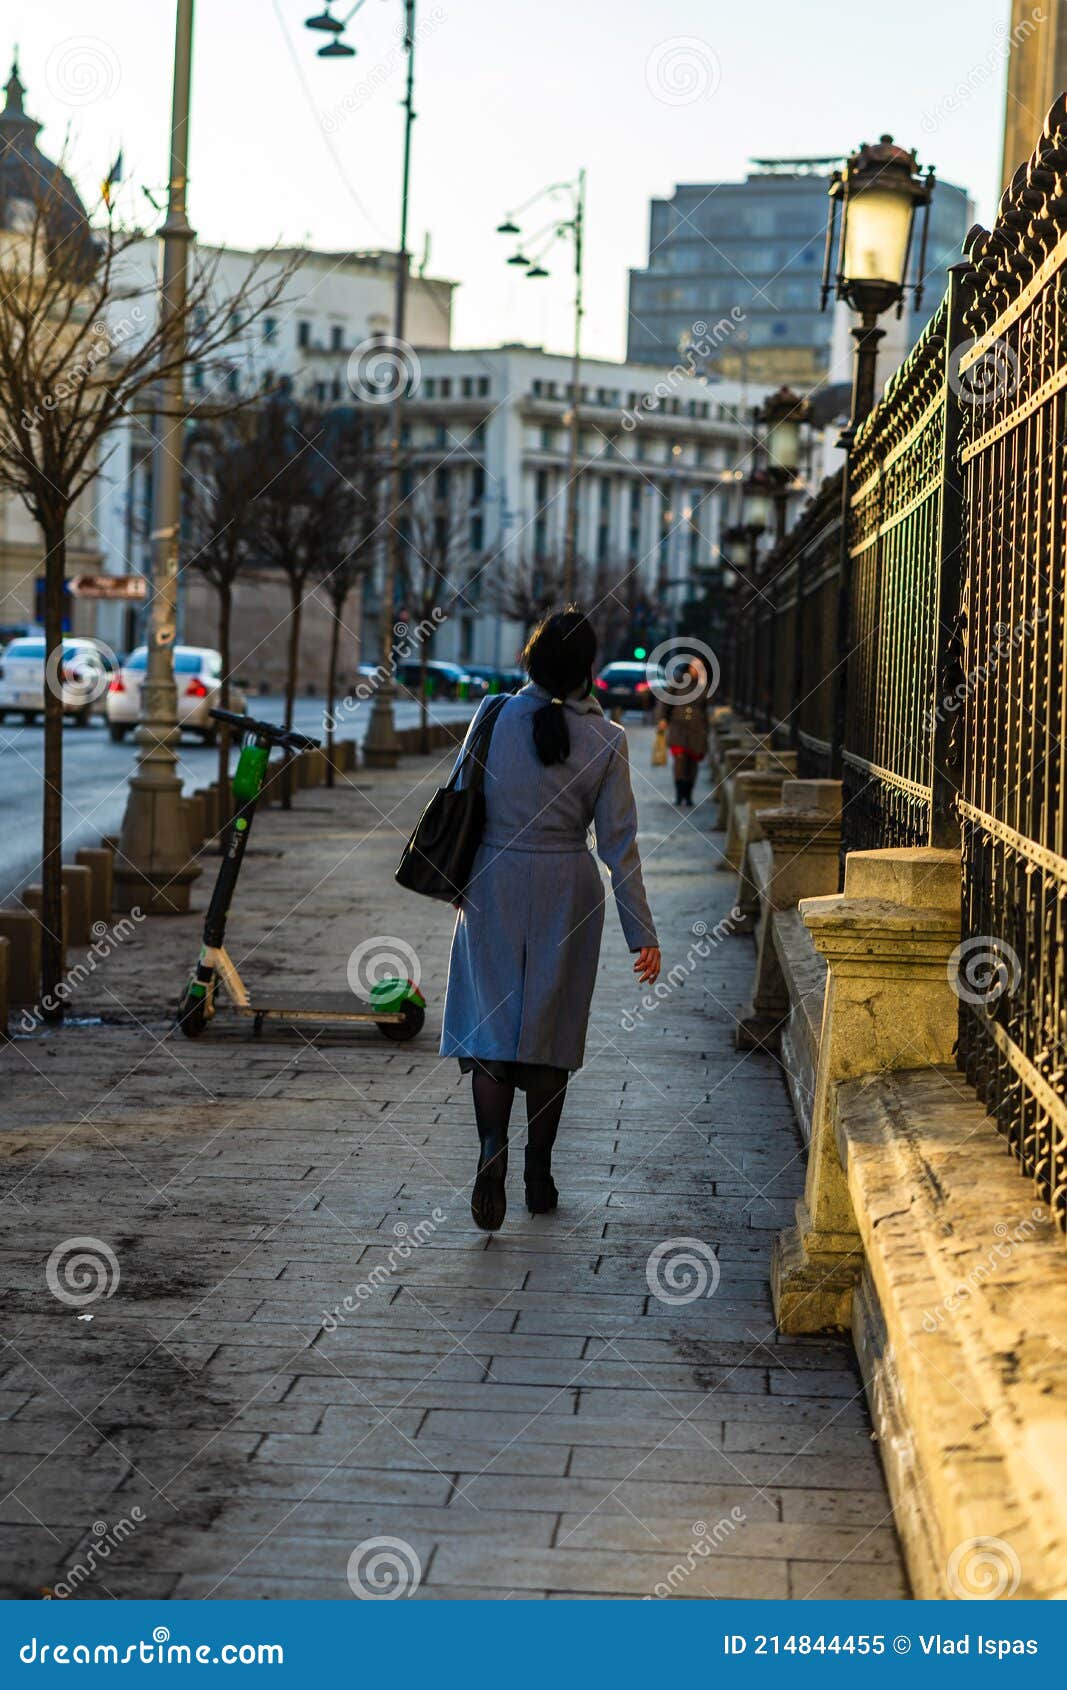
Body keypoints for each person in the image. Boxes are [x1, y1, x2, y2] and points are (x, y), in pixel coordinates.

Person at [440, 608, 661, 1231]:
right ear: (587, 669)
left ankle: (491, 1149)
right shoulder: (609, 740)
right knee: (549, 1029)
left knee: (492, 1022)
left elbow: (463, 797)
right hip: (569, 888)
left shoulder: (490, 717)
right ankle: (538, 1175)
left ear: (529, 662)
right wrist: (642, 935)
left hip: (491, 881)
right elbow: (620, 846)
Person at [656, 659, 709, 806]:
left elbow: (706, 710)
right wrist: (662, 718)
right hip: (678, 726)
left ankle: (688, 794)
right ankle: (679, 794)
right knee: (680, 759)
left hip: (696, 728)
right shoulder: (678, 682)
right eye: (694, 666)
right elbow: (665, 702)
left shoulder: (703, 686)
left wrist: (706, 733)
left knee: (692, 762)